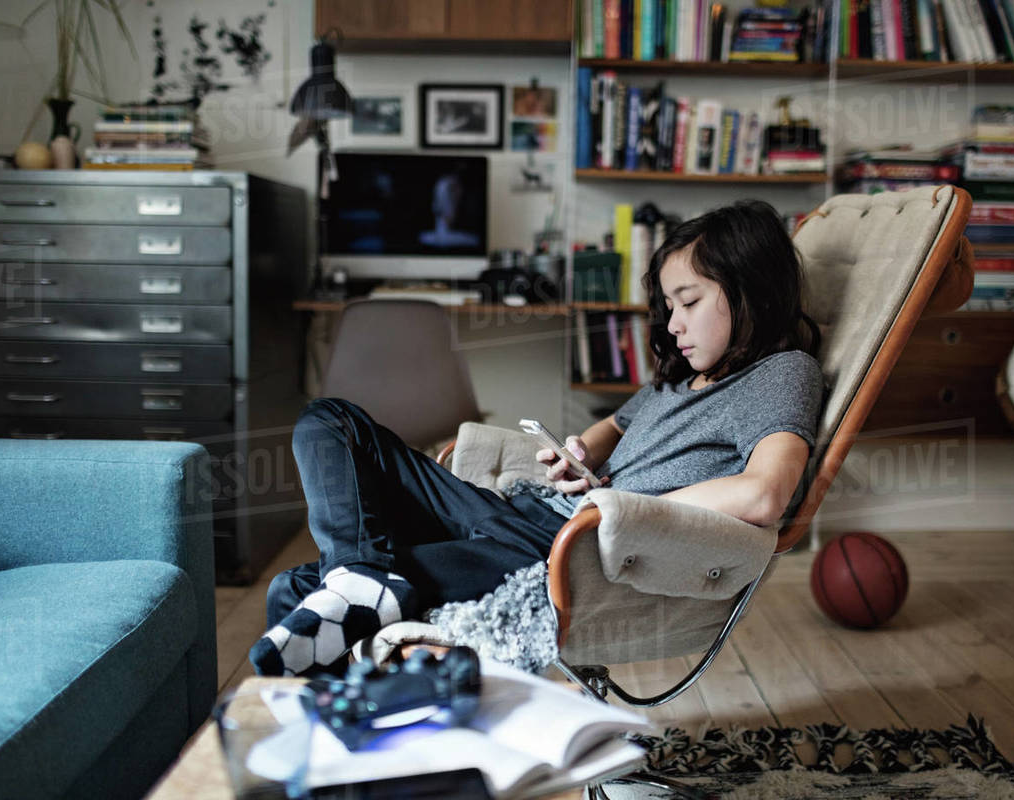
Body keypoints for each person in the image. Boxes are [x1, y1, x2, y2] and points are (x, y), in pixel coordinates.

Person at [250, 200, 825, 678]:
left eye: (690, 302)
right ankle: (362, 576)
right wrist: (579, 452)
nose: (673, 324)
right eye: (669, 305)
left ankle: (349, 645)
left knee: (295, 589)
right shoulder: (684, 373)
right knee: (331, 419)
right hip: (524, 511)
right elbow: (617, 426)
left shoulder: (780, 373)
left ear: (749, 291)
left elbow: (765, 494)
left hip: (563, 549)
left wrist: (618, 507)